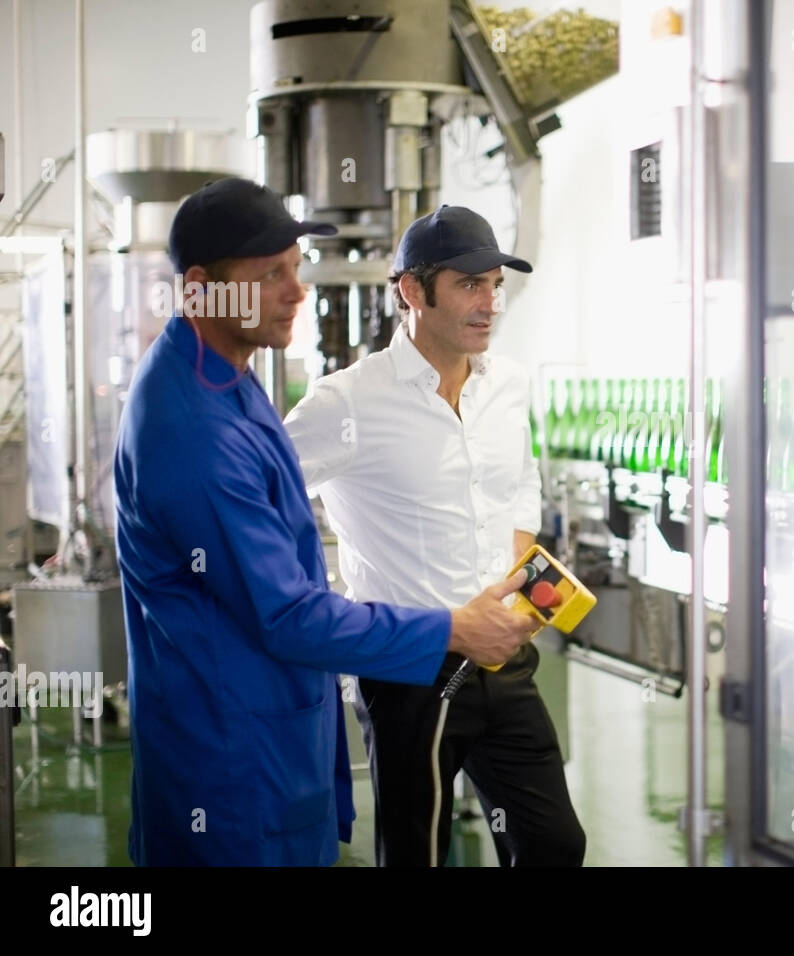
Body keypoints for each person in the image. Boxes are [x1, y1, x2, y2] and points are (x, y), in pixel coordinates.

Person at [114, 179, 535, 866]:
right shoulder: (192, 432)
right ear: (200, 288)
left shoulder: (227, 374)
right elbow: (286, 616)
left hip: (278, 739)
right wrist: (453, 627)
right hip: (229, 769)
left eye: (297, 267)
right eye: (271, 274)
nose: (297, 290)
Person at [285, 205, 585, 867]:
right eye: (469, 284)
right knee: (417, 853)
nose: (489, 303)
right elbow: (256, 496)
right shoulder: (346, 402)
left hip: (503, 663)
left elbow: (517, 489)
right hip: (412, 670)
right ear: (412, 292)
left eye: (495, 285)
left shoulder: (507, 384)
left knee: (555, 844)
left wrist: (518, 594)